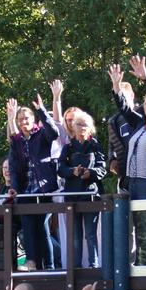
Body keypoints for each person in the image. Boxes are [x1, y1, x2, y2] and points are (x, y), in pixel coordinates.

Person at [7, 95, 61, 270]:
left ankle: (50, 265)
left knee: (43, 227)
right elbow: (14, 168)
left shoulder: (41, 134)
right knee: (28, 227)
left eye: (27, 118)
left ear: (33, 119)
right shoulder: (17, 142)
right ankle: (32, 263)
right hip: (26, 190)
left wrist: (42, 110)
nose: (24, 122)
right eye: (20, 119)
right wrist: (14, 187)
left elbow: (54, 132)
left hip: (43, 188)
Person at [105, 55, 146, 188]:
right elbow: (113, 144)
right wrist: (112, 159)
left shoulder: (144, 117)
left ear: (132, 96)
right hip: (127, 175)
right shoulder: (115, 121)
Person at [57, 108, 107, 268]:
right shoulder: (68, 147)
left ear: (90, 127)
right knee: (75, 235)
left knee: (91, 234)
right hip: (72, 195)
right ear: (73, 127)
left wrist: (90, 173)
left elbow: (102, 168)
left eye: (85, 124)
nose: (81, 127)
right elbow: (60, 169)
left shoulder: (95, 145)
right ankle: (76, 266)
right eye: (78, 124)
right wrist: (73, 171)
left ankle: (94, 264)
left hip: (91, 195)